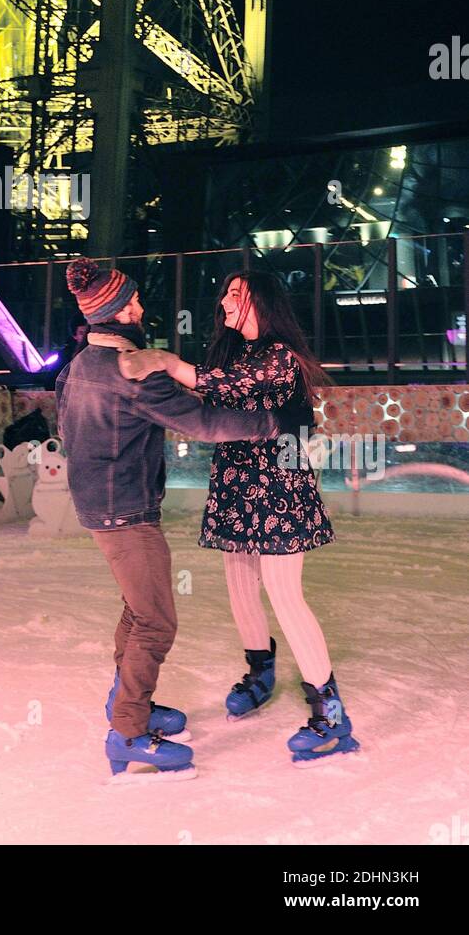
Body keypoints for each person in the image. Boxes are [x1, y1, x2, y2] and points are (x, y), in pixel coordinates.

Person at [55, 257, 309, 778]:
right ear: (121, 311)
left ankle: (131, 707)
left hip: (97, 505)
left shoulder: (78, 366)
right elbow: (204, 422)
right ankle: (127, 731)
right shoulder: (130, 372)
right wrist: (273, 423)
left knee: (136, 608)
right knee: (154, 621)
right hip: (126, 512)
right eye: (136, 301)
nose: (143, 307)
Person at [119, 270, 360, 764]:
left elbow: (219, 385)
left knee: (285, 596)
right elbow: (200, 402)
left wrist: (163, 359)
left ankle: (332, 716)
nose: (224, 300)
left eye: (236, 293)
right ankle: (260, 670)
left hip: (278, 489)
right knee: (239, 585)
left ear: (261, 302)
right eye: (225, 292)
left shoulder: (279, 358)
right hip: (236, 485)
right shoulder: (236, 353)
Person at [43, 316, 87, 390]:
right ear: (74, 335)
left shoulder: (97, 354)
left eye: (87, 333)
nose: (85, 337)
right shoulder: (65, 356)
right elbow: (52, 381)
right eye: (81, 333)